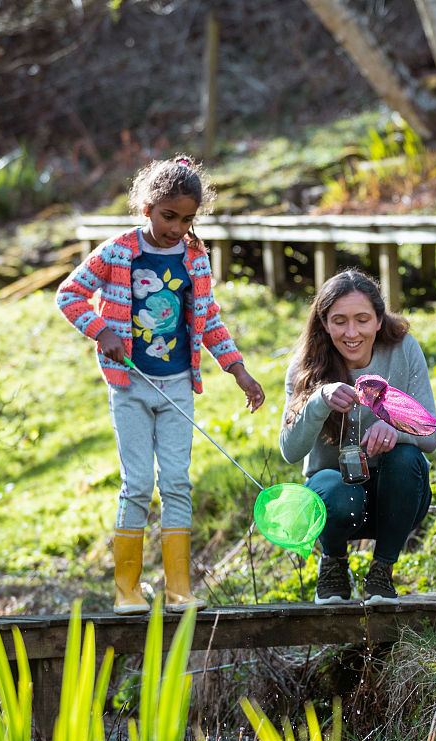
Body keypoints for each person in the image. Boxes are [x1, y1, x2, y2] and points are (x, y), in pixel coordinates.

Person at [56, 155, 265, 616]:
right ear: (146, 207)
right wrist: (101, 331)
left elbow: (208, 319)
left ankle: (178, 589)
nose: (177, 227)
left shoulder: (195, 257)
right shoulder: (116, 252)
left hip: (178, 388)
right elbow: (68, 295)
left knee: (175, 483)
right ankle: (127, 590)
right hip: (129, 387)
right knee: (136, 485)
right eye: (169, 216)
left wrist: (239, 370)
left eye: (187, 218)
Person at [280, 269, 436, 606]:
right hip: (337, 501)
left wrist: (396, 430)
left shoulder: (404, 349)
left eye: (362, 319)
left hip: (397, 498)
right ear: (324, 323)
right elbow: (290, 451)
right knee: (334, 489)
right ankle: (334, 562)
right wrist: (318, 401)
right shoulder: (305, 366)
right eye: (339, 321)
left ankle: (382, 571)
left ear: (379, 320)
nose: (351, 332)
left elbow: (432, 436)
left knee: (407, 458)